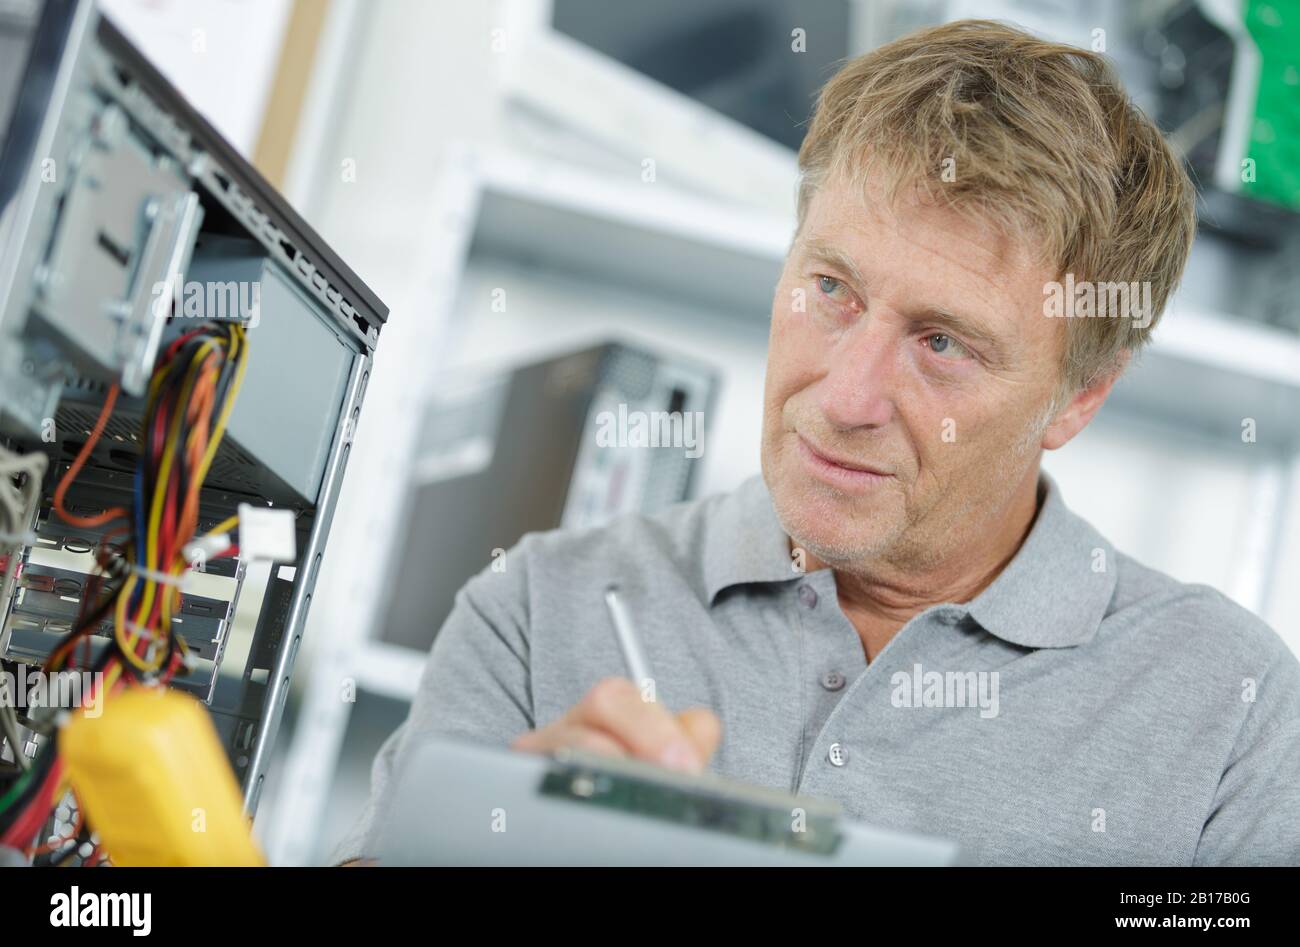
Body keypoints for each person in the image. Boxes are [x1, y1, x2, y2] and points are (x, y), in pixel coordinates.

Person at [334, 19, 1300, 865]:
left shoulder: (1238, 712)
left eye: (942, 342)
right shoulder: (541, 606)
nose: (844, 396)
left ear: (1078, 396)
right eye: (832, 289)